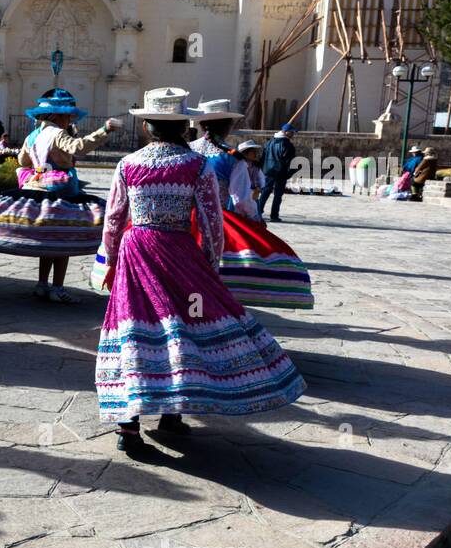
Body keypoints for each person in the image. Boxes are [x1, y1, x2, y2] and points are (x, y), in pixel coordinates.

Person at [96, 87, 306, 457]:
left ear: (147, 125)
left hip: (137, 252)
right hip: (179, 252)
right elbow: (211, 222)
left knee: (135, 326)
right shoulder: (198, 166)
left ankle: (128, 426)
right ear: (183, 126)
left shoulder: (127, 164)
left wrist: (108, 260)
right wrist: (209, 266)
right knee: (181, 328)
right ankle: (172, 410)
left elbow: (114, 218)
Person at [0, 88, 119, 303]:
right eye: (67, 115)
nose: (69, 119)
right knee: (63, 242)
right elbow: (78, 147)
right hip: (62, 193)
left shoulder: (33, 136)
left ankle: (42, 284)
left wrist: (41, 165)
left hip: (36, 190)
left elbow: (23, 161)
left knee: (48, 241)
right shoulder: (58, 133)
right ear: (57, 115)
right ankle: (58, 288)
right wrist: (104, 130)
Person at [184, 102, 314, 310]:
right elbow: (241, 199)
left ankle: (189, 309)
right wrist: (255, 219)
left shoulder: (187, 150)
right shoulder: (232, 157)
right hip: (216, 219)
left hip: (184, 219)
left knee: (186, 268)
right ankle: (205, 310)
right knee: (213, 268)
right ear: (227, 127)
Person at [258, 124, 298, 221]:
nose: (293, 134)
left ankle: (258, 212)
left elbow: (262, 158)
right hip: (280, 172)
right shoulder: (287, 145)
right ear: (286, 132)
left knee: (265, 192)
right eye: (292, 132)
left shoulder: (269, 142)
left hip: (267, 171)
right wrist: (290, 173)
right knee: (278, 194)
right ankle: (274, 215)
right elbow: (289, 162)